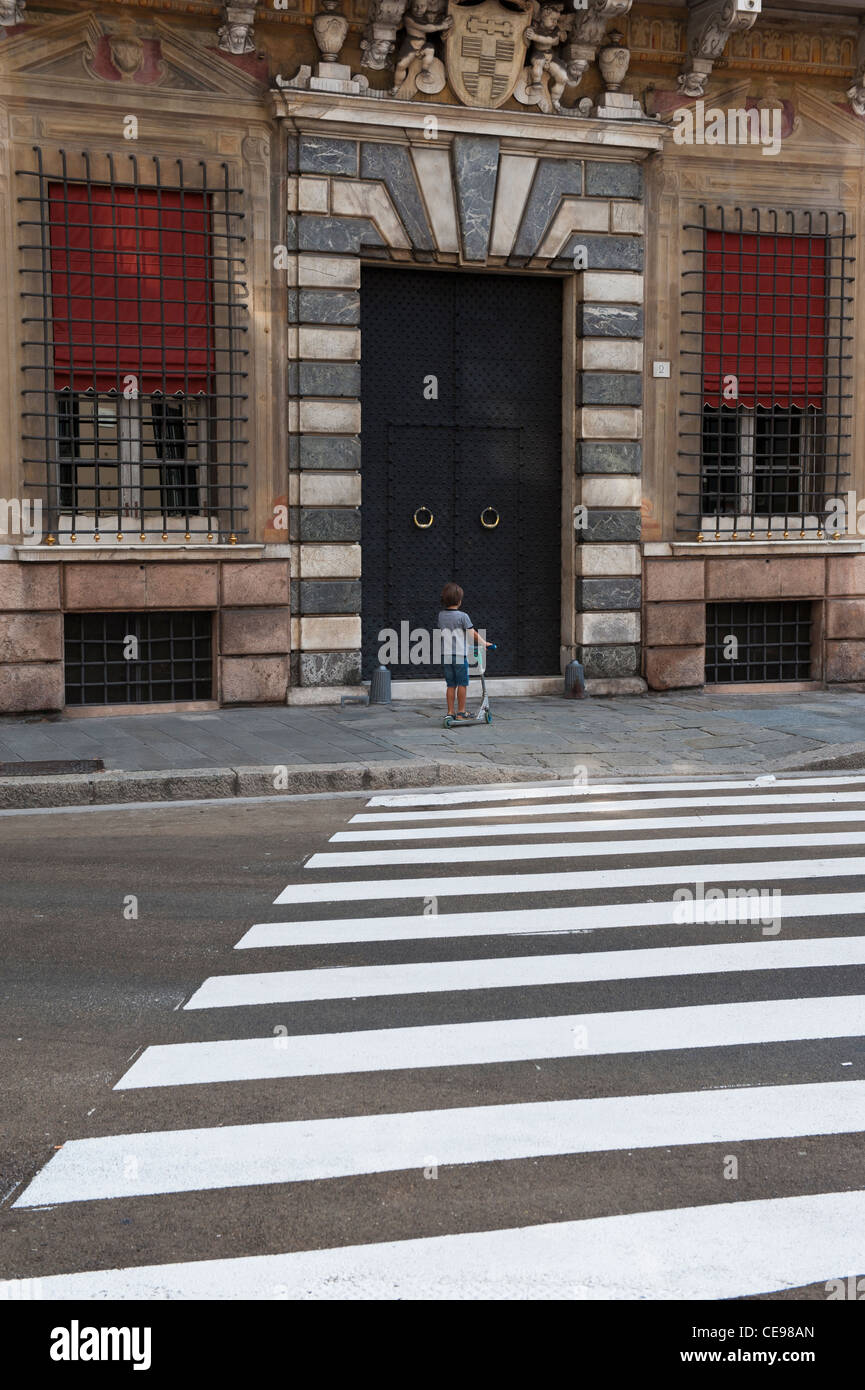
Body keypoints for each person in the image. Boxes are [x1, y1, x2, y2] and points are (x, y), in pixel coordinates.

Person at [437, 581, 492, 721]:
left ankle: (450, 712)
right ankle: (461, 712)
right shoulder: (463, 616)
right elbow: (471, 633)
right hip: (460, 655)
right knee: (462, 683)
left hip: (446, 655)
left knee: (451, 684)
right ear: (459, 600)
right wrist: (484, 642)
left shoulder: (441, 615)